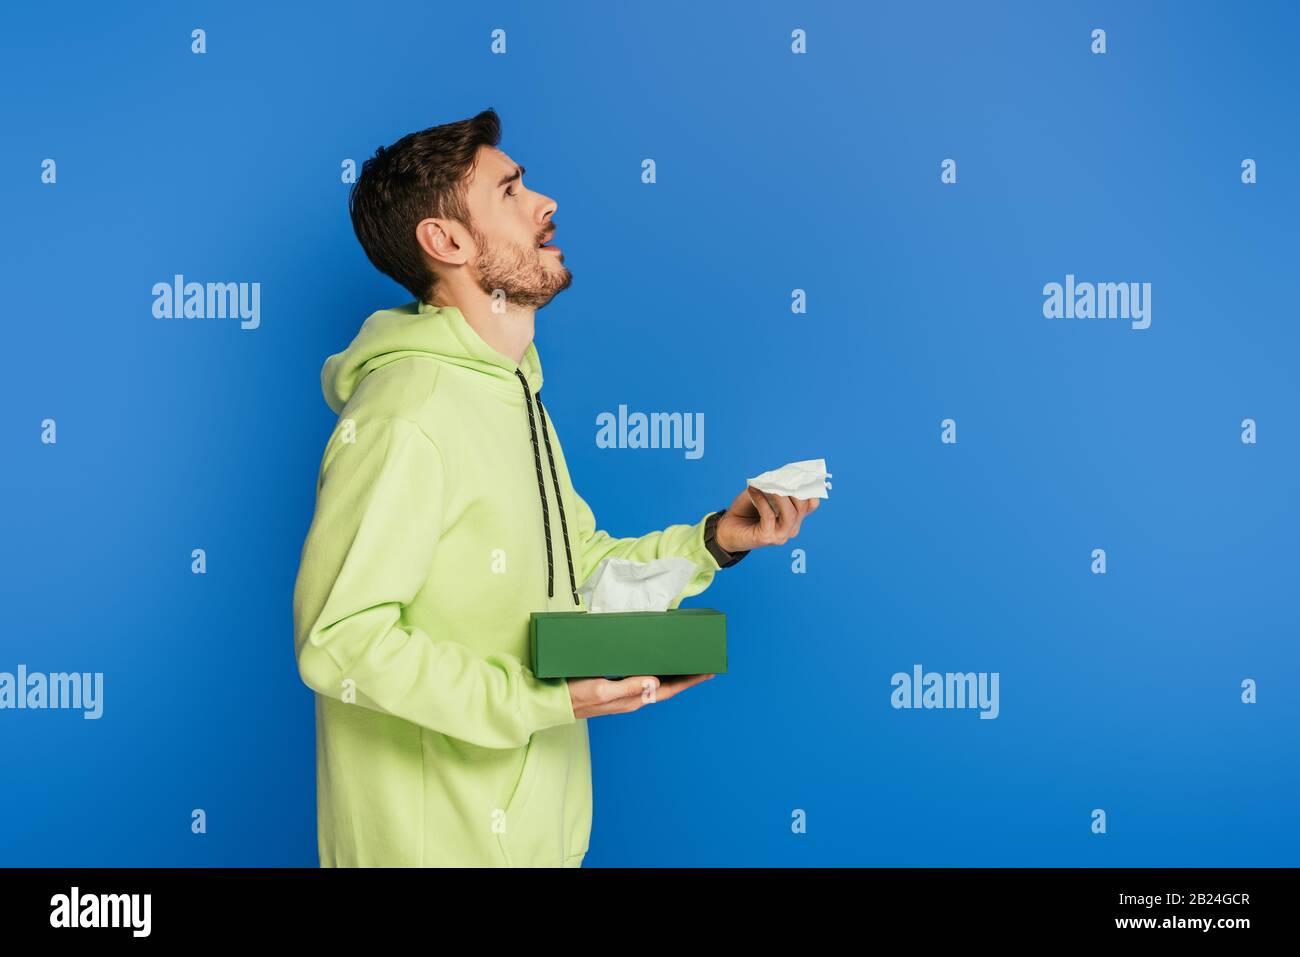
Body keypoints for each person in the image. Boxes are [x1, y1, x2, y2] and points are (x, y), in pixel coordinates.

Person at [291, 108, 820, 867]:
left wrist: (713, 542)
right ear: (445, 242)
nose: (545, 205)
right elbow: (340, 641)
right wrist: (548, 699)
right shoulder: (406, 414)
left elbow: (571, 576)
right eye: (509, 192)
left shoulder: (513, 397)